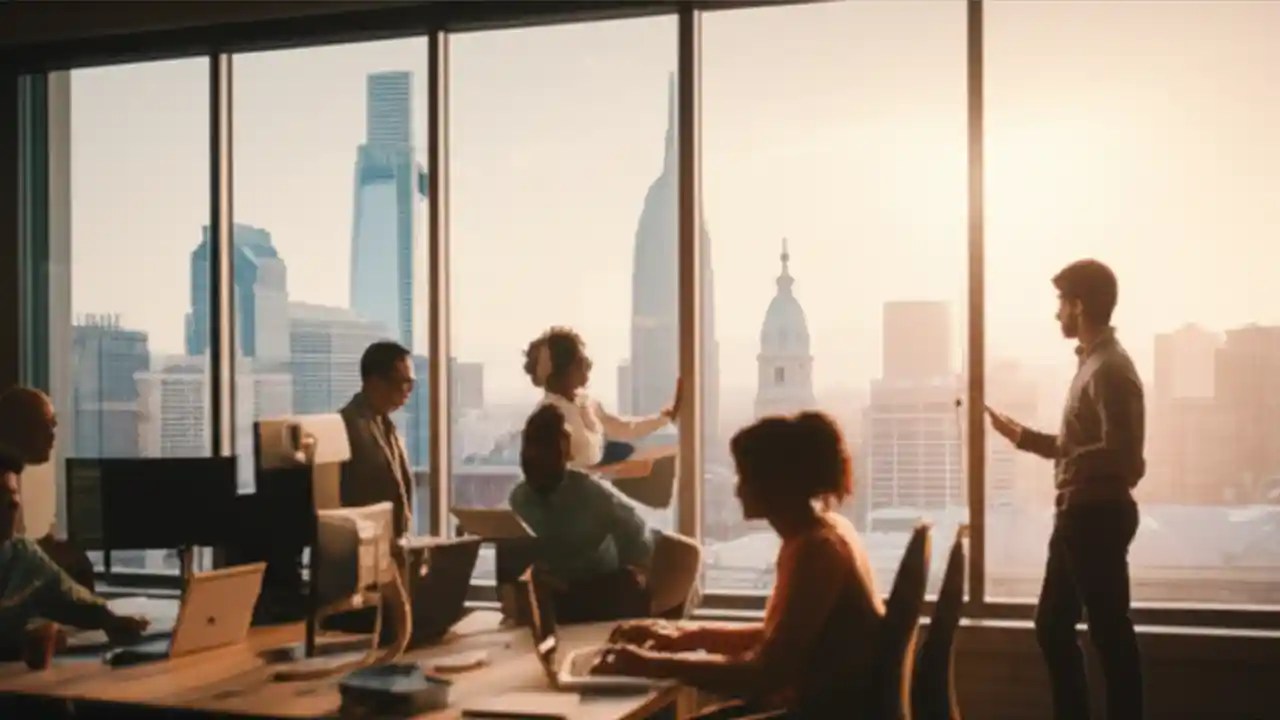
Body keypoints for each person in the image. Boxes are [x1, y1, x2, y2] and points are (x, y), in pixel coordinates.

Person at [593, 412, 882, 717]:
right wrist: (680, 638)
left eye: (745, 476)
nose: (737, 489)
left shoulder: (818, 551)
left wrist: (650, 664)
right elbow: (777, 638)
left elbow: (764, 673)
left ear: (778, 483)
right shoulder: (818, 533)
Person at [986, 258, 1145, 720]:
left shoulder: (1110, 370)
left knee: (1105, 633)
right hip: (1081, 513)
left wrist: (1072, 461)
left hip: (1094, 514)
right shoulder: (1094, 365)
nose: (1057, 314)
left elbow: (1125, 458)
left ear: (1078, 305)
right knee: (1059, 627)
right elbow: (1083, 446)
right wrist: (1021, 437)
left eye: (1061, 303)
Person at [510, 404, 659, 622]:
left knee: (625, 584)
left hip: (594, 584)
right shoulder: (520, 498)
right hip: (548, 586)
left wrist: (636, 567)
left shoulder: (588, 492)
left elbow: (636, 529)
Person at [0, 452, 148, 661]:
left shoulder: (22, 553)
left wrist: (109, 620)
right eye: (1, 495)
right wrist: (21, 641)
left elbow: (67, 594)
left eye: (13, 494)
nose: (13, 503)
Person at [523, 328, 679, 472]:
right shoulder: (548, 417)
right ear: (563, 369)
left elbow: (623, 428)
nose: (588, 365)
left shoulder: (587, 404)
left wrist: (662, 419)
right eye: (580, 360)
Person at [0, 386, 94, 592]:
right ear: (18, 428)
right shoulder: (5, 483)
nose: (53, 435)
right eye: (46, 425)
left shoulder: (12, 472)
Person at [341, 341, 416, 540]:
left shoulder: (388, 427)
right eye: (403, 382)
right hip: (362, 545)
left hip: (390, 547)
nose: (408, 390)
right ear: (376, 381)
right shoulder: (346, 427)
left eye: (412, 383)